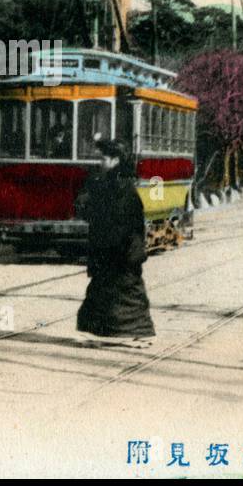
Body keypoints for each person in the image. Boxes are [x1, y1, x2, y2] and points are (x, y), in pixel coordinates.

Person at [75, 139, 155, 346]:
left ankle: (135, 332)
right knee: (108, 289)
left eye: (103, 158)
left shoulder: (118, 184)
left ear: (115, 160)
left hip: (121, 247)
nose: (99, 162)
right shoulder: (110, 181)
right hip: (115, 248)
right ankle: (108, 333)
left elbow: (117, 217)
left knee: (124, 289)